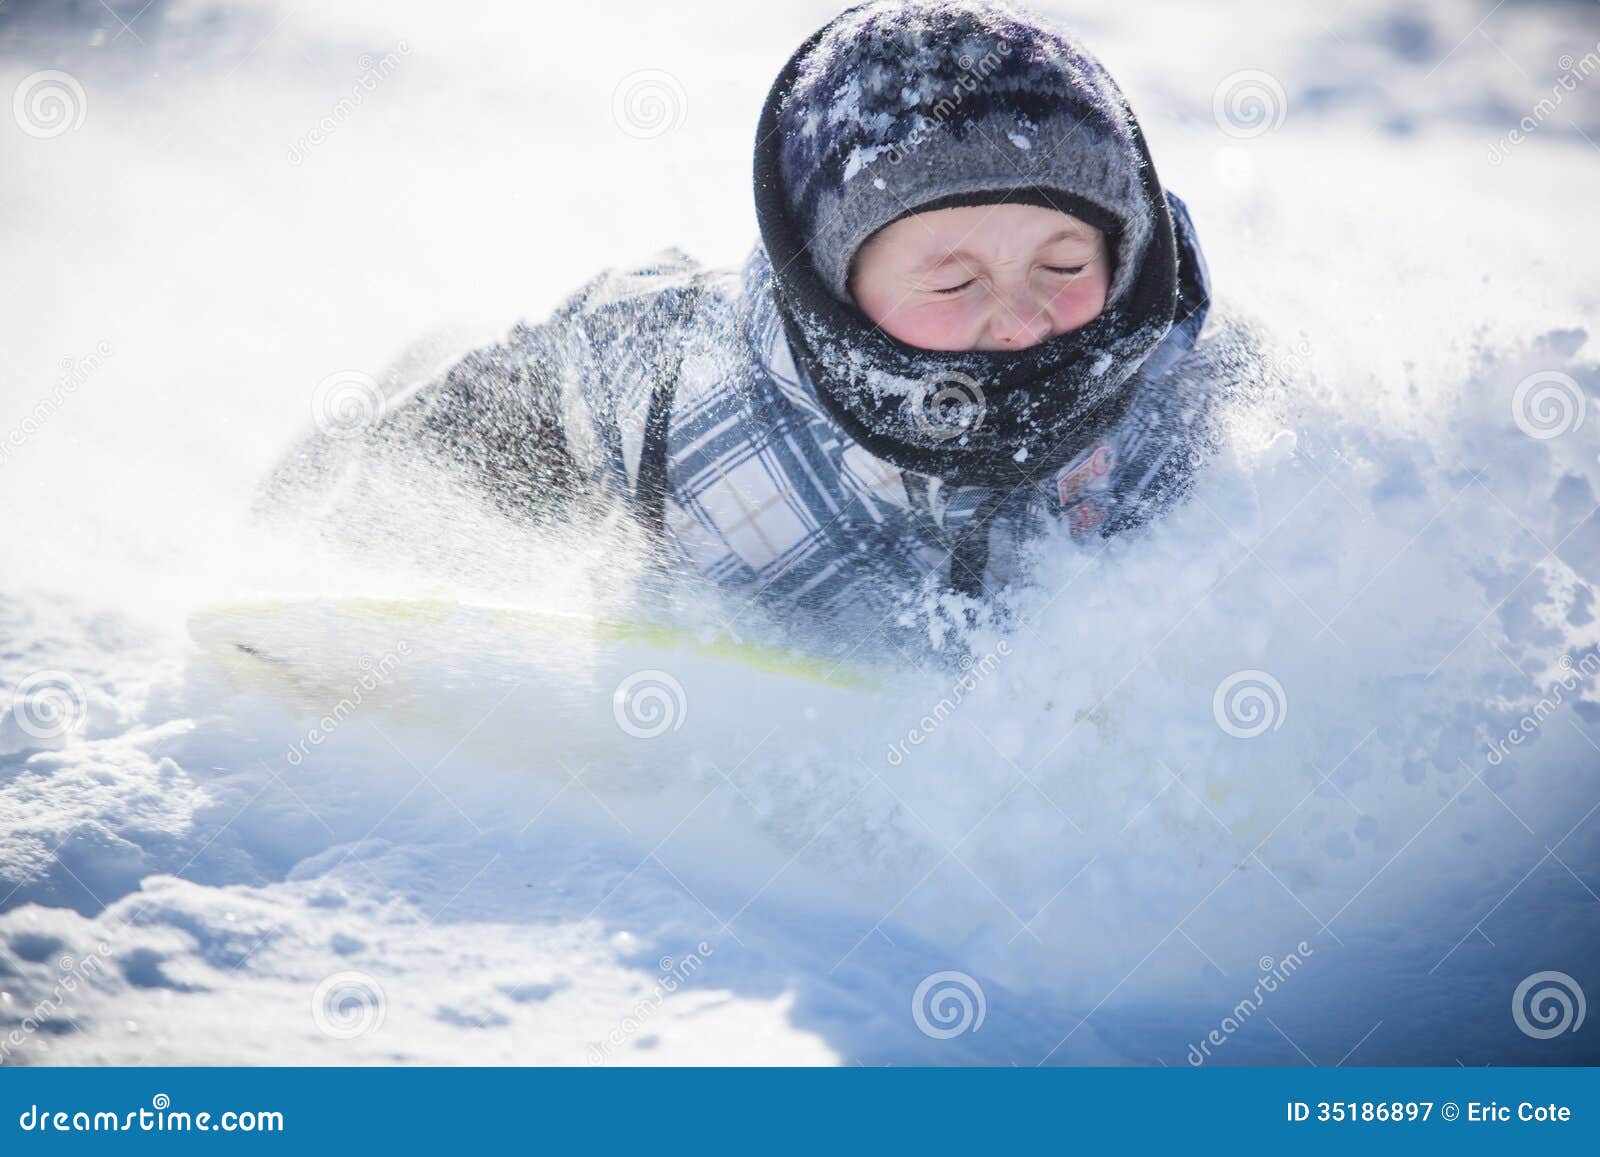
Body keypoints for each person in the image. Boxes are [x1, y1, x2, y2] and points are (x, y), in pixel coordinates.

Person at [260, 0, 1255, 655]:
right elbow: (475, 432)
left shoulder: (1168, 383)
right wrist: (340, 546)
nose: (1019, 317)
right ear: (829, 276)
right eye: (952, 277)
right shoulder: (672, 380)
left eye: (1064, 266)